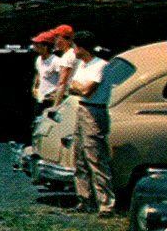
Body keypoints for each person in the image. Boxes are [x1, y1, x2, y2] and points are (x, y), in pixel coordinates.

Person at [66, 30, 115, 216]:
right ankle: (84, 199)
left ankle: (105, 203)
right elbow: (73, 87)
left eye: (75, 47)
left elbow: (87, 90)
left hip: (94, 110)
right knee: (79, 157)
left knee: (95, 158)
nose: (73, 50)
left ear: (82, 48)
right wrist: (78, 88)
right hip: (82, 109)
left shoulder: (100, 66)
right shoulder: (82, 65)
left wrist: (79, 87)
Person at [29, 30, 60, 136]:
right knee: (37, 125)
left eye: (37, 44)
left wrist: (55, 93)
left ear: (45, 46)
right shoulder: (38, 59)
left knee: (48, 129)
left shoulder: (56, 61)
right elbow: (39, 74)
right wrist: (35, 86)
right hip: (40, 99)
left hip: (50, 100)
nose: (34, 46)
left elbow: (64, 81)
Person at [51, 24, 77, 107]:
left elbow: (62, 83)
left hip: (68, 98)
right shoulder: (72, 53)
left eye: (57, 37)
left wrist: (55, 106)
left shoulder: (68, 56)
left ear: (64, 39)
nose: (54, 40)